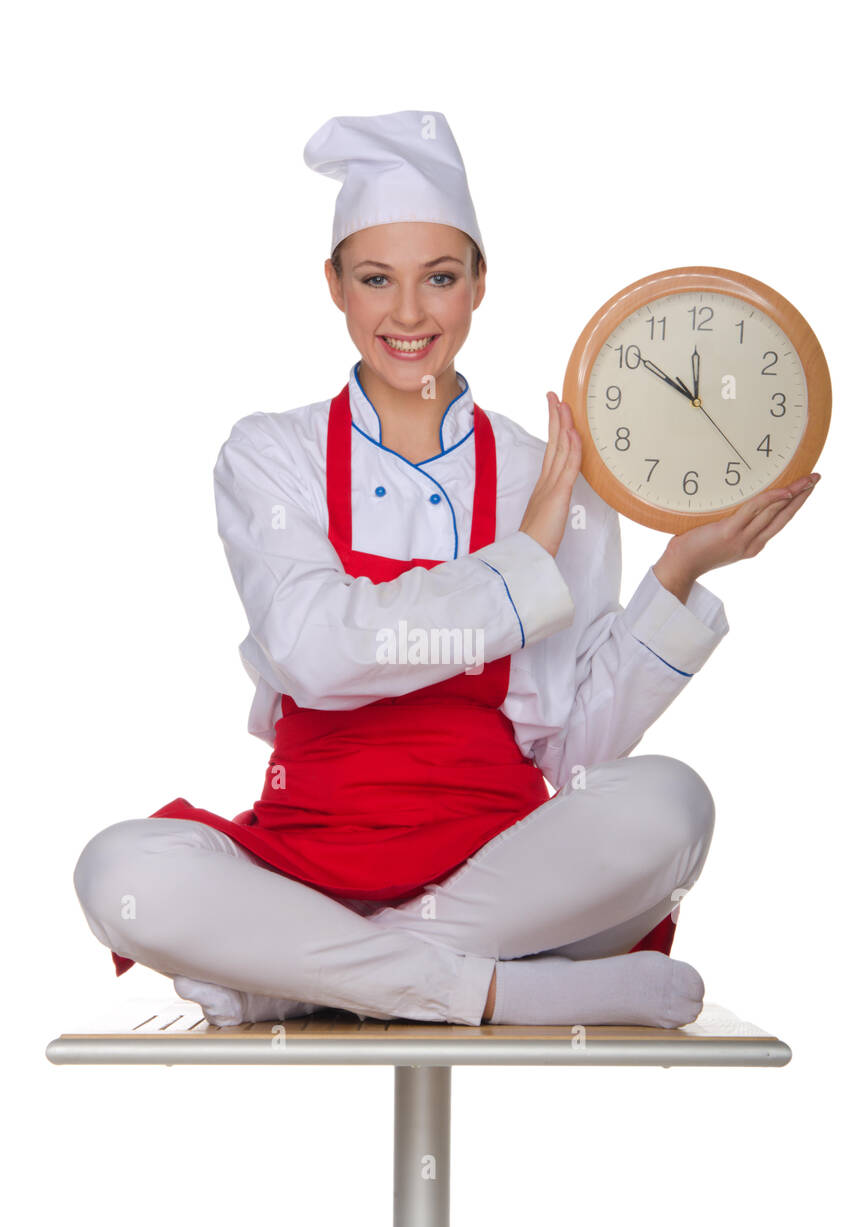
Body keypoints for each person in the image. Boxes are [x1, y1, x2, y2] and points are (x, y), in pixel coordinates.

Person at [72, 111, 820, 1029]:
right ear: (335, 287)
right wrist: (519, 562)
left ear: (477, 287)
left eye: (440, 278)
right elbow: (312, 651)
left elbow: (577, 751)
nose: (409, 314)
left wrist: (677, 569)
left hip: (494, 860)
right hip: (306, 858)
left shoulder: (549, 475)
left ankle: (306, 979)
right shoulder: (272, 454)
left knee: (670, 803)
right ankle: (498, 990)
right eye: (376, 279)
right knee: (121, 870)